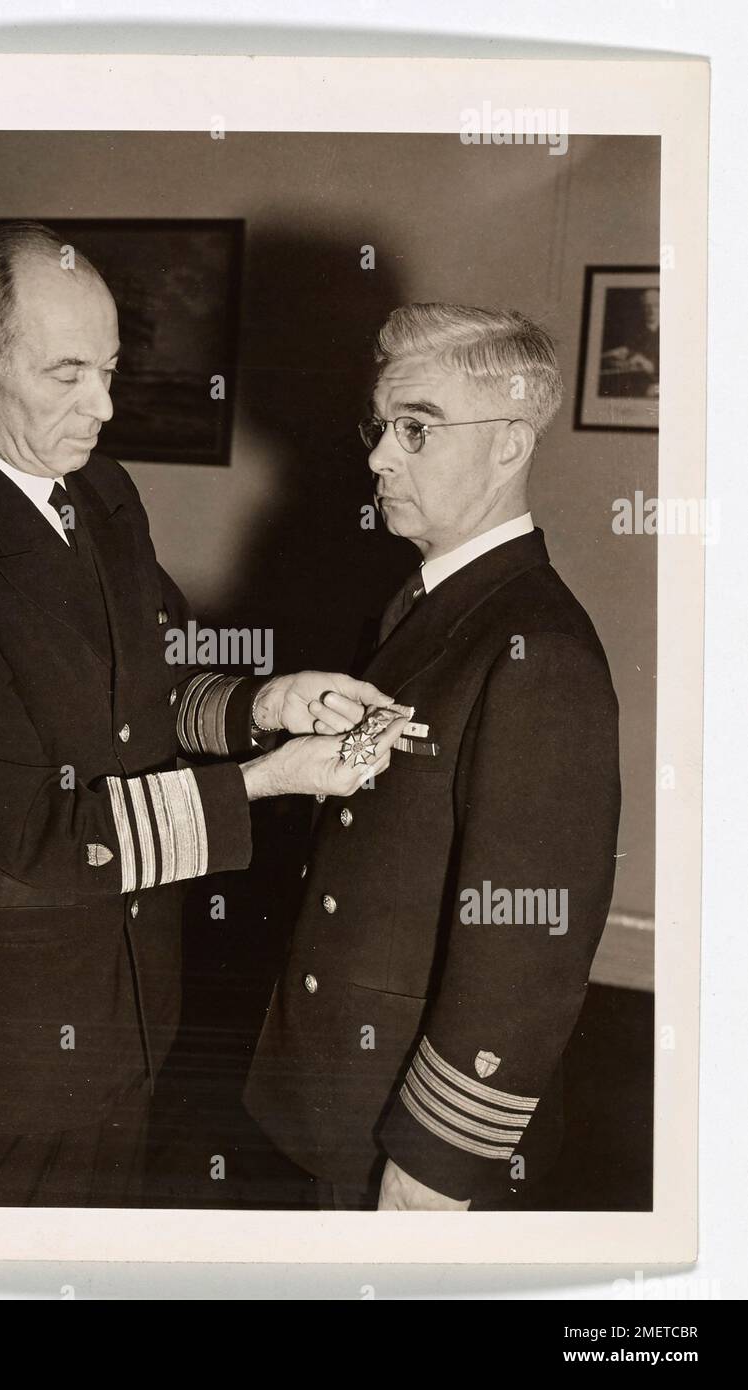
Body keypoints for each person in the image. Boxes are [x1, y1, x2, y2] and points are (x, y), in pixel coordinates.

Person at [0, 221, 405, 1207]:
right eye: (66, 374)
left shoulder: (99, 491)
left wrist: (263, 703)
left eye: (108, 369)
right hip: (12, 1024)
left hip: (138, 983)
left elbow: (158, 688)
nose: (102, 407)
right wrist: (265, 780)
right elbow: (36, 832)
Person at [244, 303, 621, 1211]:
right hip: (341, 1092)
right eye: (380, 428)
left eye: (416, 429)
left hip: (413, 1138)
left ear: (508, 446)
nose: (378, 457)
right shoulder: (426, 603)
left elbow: (527, 943)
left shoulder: (539, 650)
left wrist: (434, 1168)